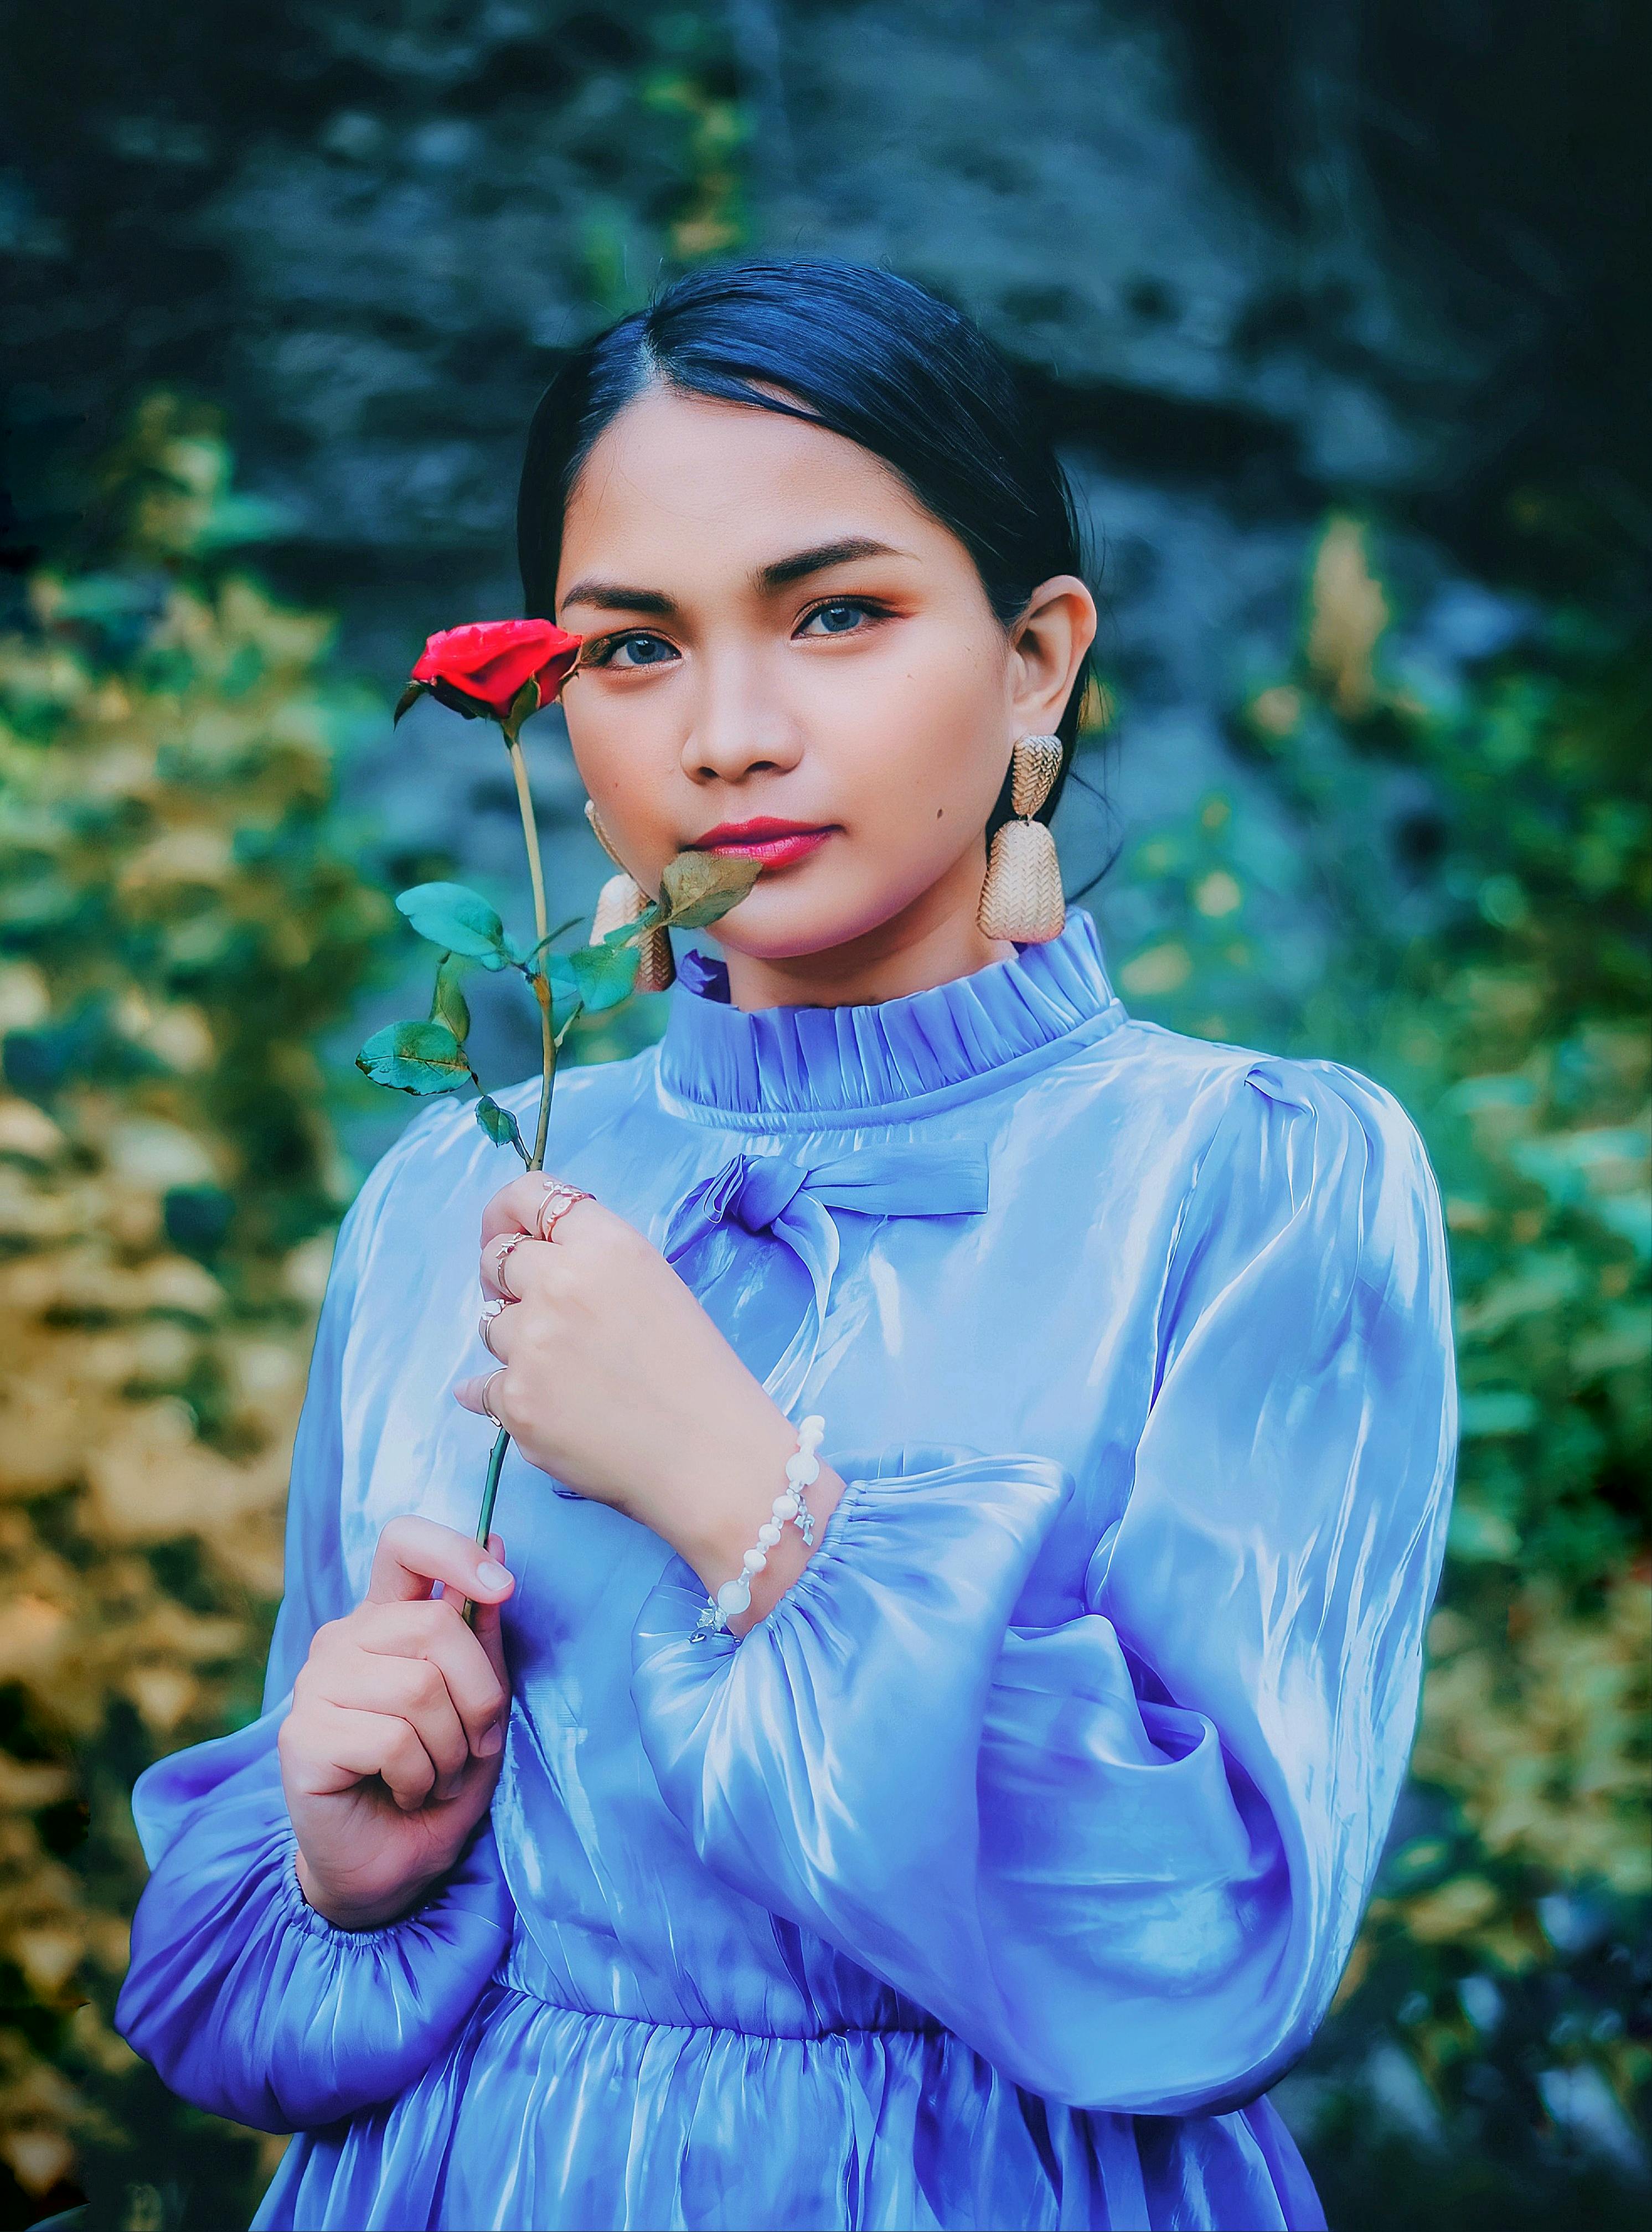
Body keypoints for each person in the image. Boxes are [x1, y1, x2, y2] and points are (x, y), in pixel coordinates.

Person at [116, 259, 1457, 2231]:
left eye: (837, 613)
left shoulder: (1250, 1180)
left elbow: (1218, 1947)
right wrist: (344, 1861)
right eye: (633, 650)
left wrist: (742, 1495)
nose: (728, 735)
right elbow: (243, 2020)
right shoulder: (464, 1191)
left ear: (1035, 659)